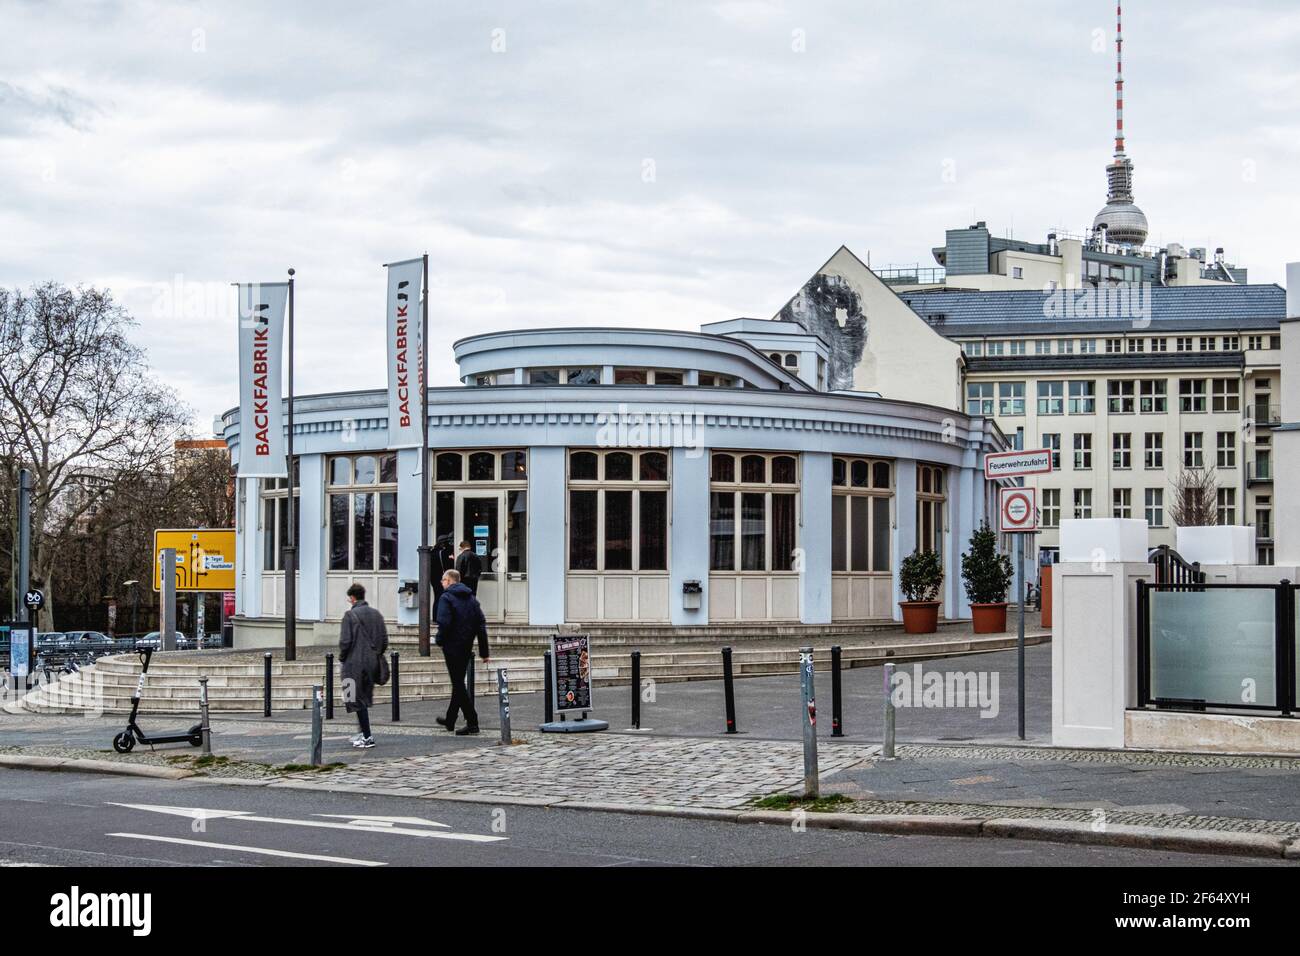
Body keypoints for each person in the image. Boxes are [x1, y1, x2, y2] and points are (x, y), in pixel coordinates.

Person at [434, 568, 490, 735]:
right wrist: (484, 651)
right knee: (458, 682)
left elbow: (444, 622)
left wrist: (439, 640)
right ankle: (450, 719)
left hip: (451, 646)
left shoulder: (446, 598)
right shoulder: (472, 599)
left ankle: (472, 721)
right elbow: (481, 625)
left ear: (450, 581)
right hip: (466, 646)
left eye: (443, 580)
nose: (441, 583)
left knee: (458, 684)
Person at [339, 582, 388, 749]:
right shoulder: (376, 614)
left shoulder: (349, 616)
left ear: (352, 598)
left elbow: (345, 642)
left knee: (354, 697)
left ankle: (367, 736)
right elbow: (384, 640)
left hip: (354, 664)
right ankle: (363, 732)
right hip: (372, 663)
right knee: (364, 698)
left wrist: (342, 657)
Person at [431, 533, 456, 605]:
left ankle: (436, 615)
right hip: (442, 578)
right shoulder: (442, 553)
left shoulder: (432, 552)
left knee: (437, 597)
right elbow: (448, 565)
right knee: (443, 598)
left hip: (434, 578)